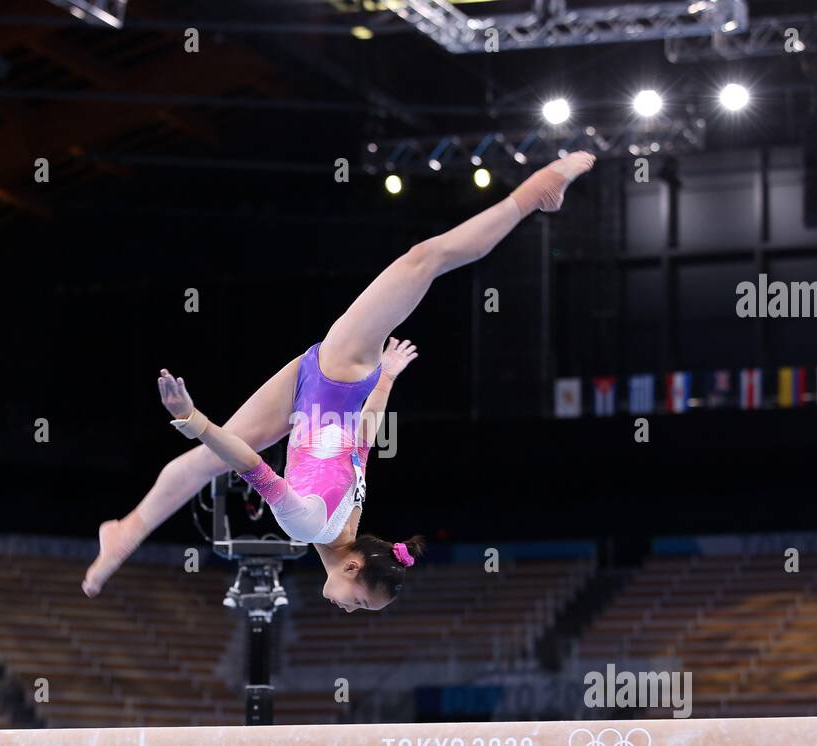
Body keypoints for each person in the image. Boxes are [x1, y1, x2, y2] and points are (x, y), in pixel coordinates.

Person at [83, 151, 596, 611]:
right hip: (337, 375)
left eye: (357, 607)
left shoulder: (342, 523)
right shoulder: (319, 526)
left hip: (316, 389)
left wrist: (387, 381)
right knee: (424, 260)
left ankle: (126, 532)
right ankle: (529, 198)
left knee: (202, 464)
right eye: (360, 604)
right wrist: (193, 419)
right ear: (353, 567)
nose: (349, 610)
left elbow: (308, 453)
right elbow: (315, 452)